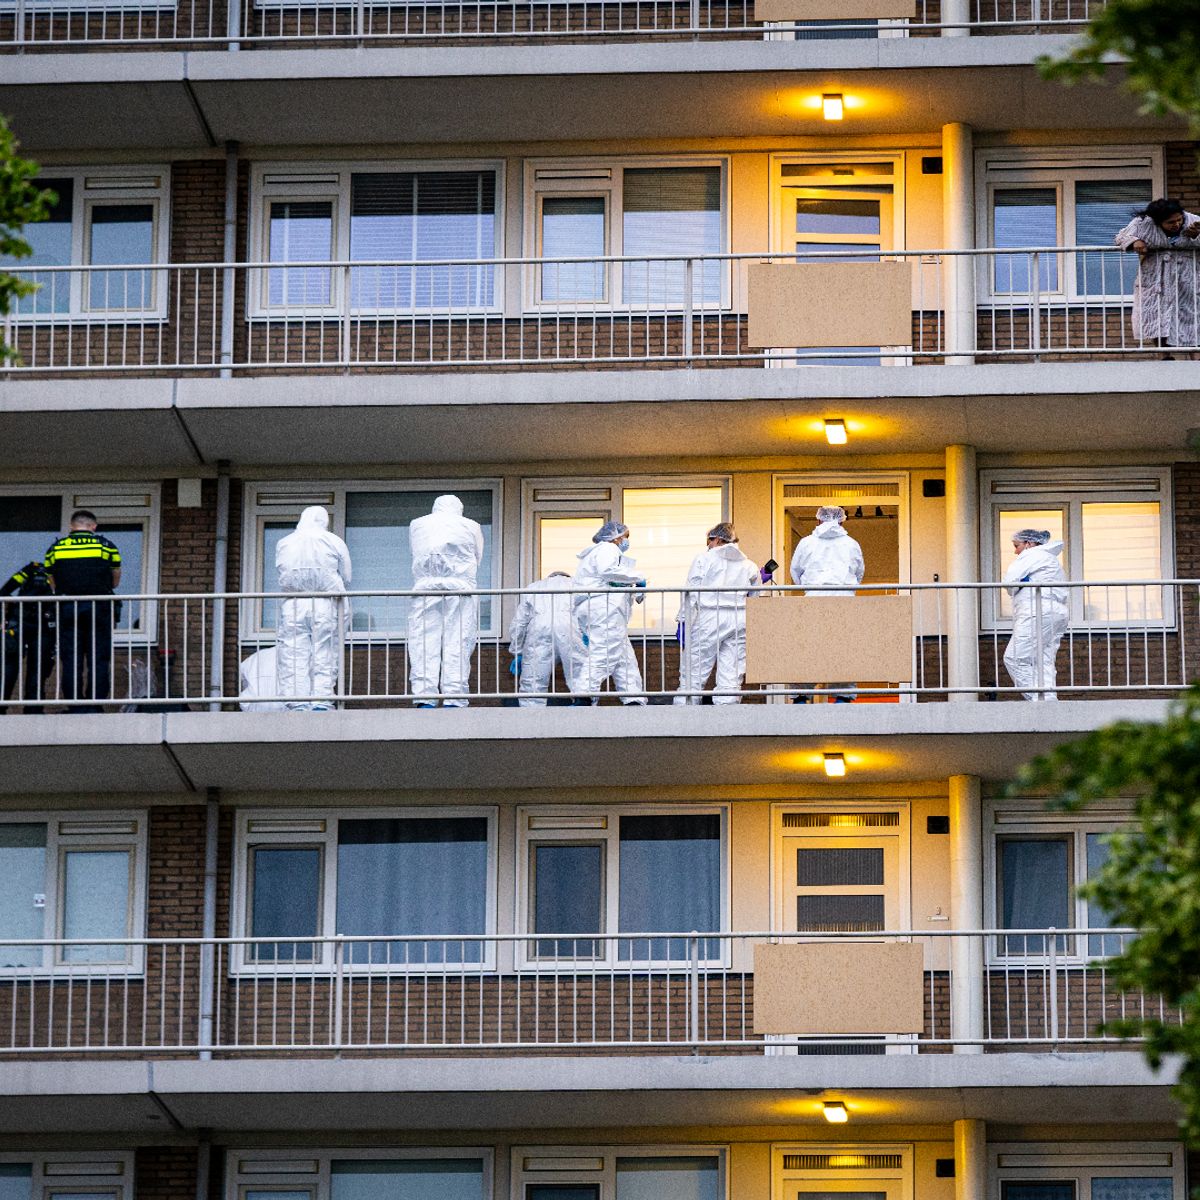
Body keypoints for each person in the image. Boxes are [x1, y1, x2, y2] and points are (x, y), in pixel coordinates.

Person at [408, 494, 484, 708]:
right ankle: (454, 696)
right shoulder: (471, 526)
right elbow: (477, 556)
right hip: (460, 588)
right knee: (458, 641)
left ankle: (424, 696)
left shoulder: (417, 525)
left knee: (423, 642)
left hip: (425, 588)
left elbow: (415, 552)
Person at [673, 523, 762, 705]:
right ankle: (726, 716)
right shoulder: (749, 565)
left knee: (694, 670)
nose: (708, 545)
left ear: (719, 539)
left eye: (710, 541)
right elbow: (754, 596)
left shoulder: (703, 560)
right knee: (731, 671)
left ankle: (684, 714)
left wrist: (683, 620)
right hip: (738, 617)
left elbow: (691, 592)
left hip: (710, 616)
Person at [275, 506, 352, 712]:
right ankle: (321, 700)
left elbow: (281, 572)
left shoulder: (285, 542)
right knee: (324, 651)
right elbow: (347, 575)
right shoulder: (333, 540)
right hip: (325, 602)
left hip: (293, 603)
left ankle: (296, 701)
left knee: (293, 652)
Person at [45, 510, 121, 714]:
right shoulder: (106, 546)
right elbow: (116, 578)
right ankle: (95, 704)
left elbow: (51, 579)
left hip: (68, 607)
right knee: (98, 656)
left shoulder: (56, 547)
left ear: (71, 526)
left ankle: (75, 704)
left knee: (71, 657)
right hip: (99, 606)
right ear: (93, 526)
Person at [789, 505, 865, 703]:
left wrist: (808, 588)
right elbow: (859, 573)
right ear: (841, 521)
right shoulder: (852, 544)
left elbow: (795, 571)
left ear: (818, 520)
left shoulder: (806, 543)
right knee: (843, 650)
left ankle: (800, 696)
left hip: (813, 600)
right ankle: (843, 696)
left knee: (806, 649)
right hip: (844, 603)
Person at [572, 521, 647, 705]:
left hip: (597, 608)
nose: (626, 541)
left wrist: (634, 587)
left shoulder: (596, 555)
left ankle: (633, 697)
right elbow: (608, 572)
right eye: (625, 537)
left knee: (623, 656)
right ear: (615, 537)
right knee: (604, 652)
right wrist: (638, 577)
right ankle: (584, 694)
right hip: (604, 608)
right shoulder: (608, 548)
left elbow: (611, 578)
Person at [1115, 198, 1200, 357]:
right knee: (1156, 316)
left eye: (1178, 220)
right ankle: (1165, 356)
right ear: (1157, 221)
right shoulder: (1142, 223)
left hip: (1186, 277)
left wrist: (1197, 235)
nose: (1176, 224)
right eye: (1170, 222)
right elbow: (1120, 237)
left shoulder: (1194, 221)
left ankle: (1195, 359)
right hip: (1155, 277)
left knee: (1190, 317)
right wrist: (1135, 241)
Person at [1002, 528, 1069, 701]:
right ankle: (1049, 701)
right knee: (1043, 660)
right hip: (1056, 612)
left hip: (1037, 611)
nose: (1015, 551)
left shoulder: (1031, 555)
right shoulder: (1050, 559)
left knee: (1015, 658)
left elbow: (1009, 583)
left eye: (1017, 545)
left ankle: (1037, 700)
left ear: (1029, 544)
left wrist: (1021, 584)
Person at [508, 571, 582, 707]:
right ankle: (584, 707)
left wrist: (517, 651)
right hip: (570, 625)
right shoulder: (578, 584)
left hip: (539, 626)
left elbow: (519, 623)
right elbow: (588, 612)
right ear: (567, 576)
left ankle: (531, 718)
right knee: (579, 672)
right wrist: (588, 636)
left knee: (533, 681)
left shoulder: (534, 587)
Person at [1, 559, 56, 714]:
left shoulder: (31, 570)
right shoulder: (58, 572)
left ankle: (1, 705)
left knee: (8, 667)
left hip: (19, 623)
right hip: (45, 626)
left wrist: (15, 607)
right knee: (38, 668)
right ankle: (34, 709)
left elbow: (5, 591)